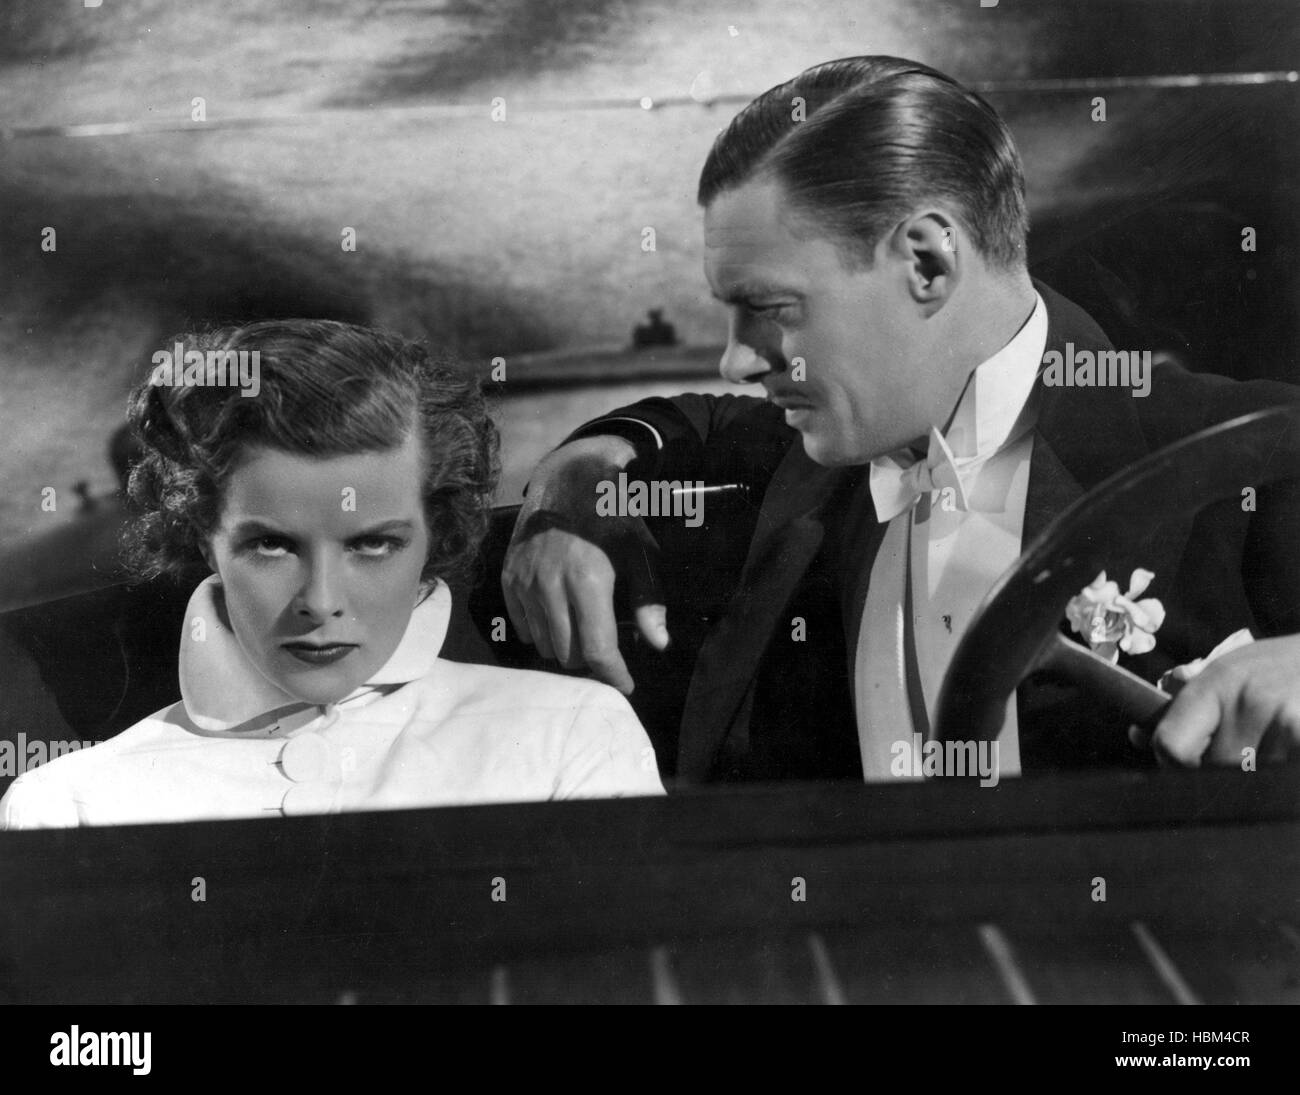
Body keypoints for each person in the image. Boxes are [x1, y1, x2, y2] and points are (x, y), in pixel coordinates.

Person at [502, 56, 1300, 784]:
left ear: (927, 263)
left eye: (772, 310)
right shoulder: (806, 460)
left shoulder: (1256, 455)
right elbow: (687, 424)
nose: (738, 361)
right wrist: (566, 495)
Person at [1, 320, 663, 828]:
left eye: (372, 545)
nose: (321, 602)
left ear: (436, 530)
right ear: (203, 536)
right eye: (271, 545)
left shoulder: (568, 738)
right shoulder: (73, 804)